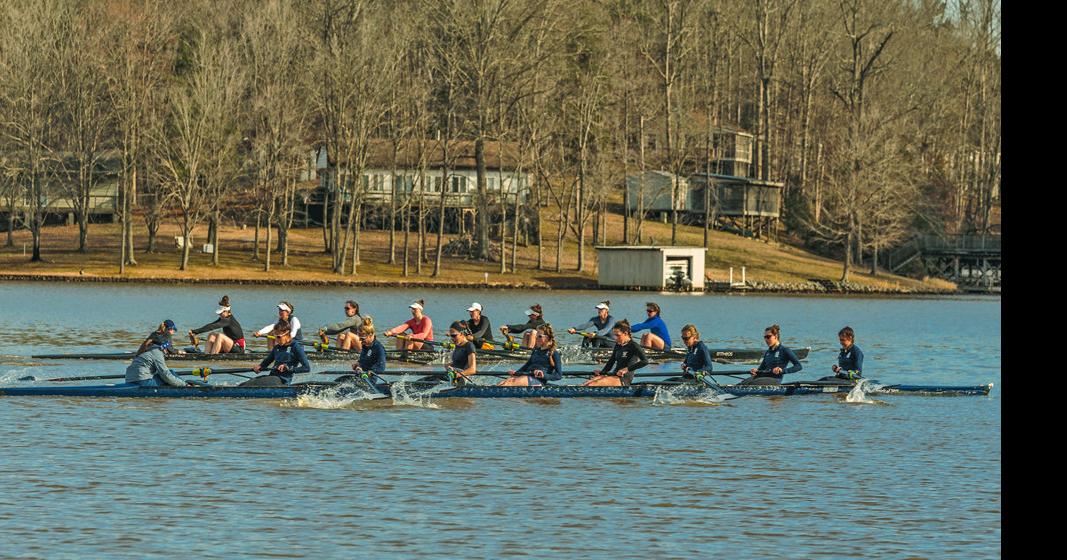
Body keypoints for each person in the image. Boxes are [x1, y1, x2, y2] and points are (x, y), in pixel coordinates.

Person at [241, 321, 311, 387]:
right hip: (272, 377)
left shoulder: (295, 347)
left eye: (278, 337)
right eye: (275, 337)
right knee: (244, 384)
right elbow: (268, 360)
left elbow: (306, 368)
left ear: (287, 334)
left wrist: (288, 368)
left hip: (282, 381)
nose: (276, 340)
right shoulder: (277, 347)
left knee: (253, 384)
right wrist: (260, 366)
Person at [582, 320, 648, 387]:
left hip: (623, 379)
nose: (615, 338)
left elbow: (645, 361)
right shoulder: (618, 345)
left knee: (591, 384)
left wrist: (627, 369)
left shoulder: (634, 345)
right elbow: (611, 361)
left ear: (625, 333)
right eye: (614, 335)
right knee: (586, 383)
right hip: (614, 375)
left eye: (617, 335)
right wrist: (602, 372)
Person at [338, 317, 387, 385]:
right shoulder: (365, 346)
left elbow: (381, 367)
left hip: (368, 381)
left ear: (370, 335)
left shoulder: (378, 348)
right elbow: (363, 361)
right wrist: (358, 364)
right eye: (359, 338)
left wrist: (370, 372)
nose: (360, 341)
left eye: (362, 339)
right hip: (360, 377)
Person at [124, 343, 191, 387]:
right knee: (171, 374)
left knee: (171, 375)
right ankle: (187, 385)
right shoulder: (157, 353)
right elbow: (166, 375)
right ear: (165, 349)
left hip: (129, 379)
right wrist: (183, 384)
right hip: (143, 381)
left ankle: (185, 383)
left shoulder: (146, 350)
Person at [444, 320, 477, 385]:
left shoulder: (469, 346)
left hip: (462, 379)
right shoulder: (457, 345)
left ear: (461, 334)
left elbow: (472, 369)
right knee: (428, 380)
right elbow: (460, 362)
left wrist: (458, 375)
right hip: (453, 377)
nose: (452, 338)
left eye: (454, 335)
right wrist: (448, 365)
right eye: (450, 336)